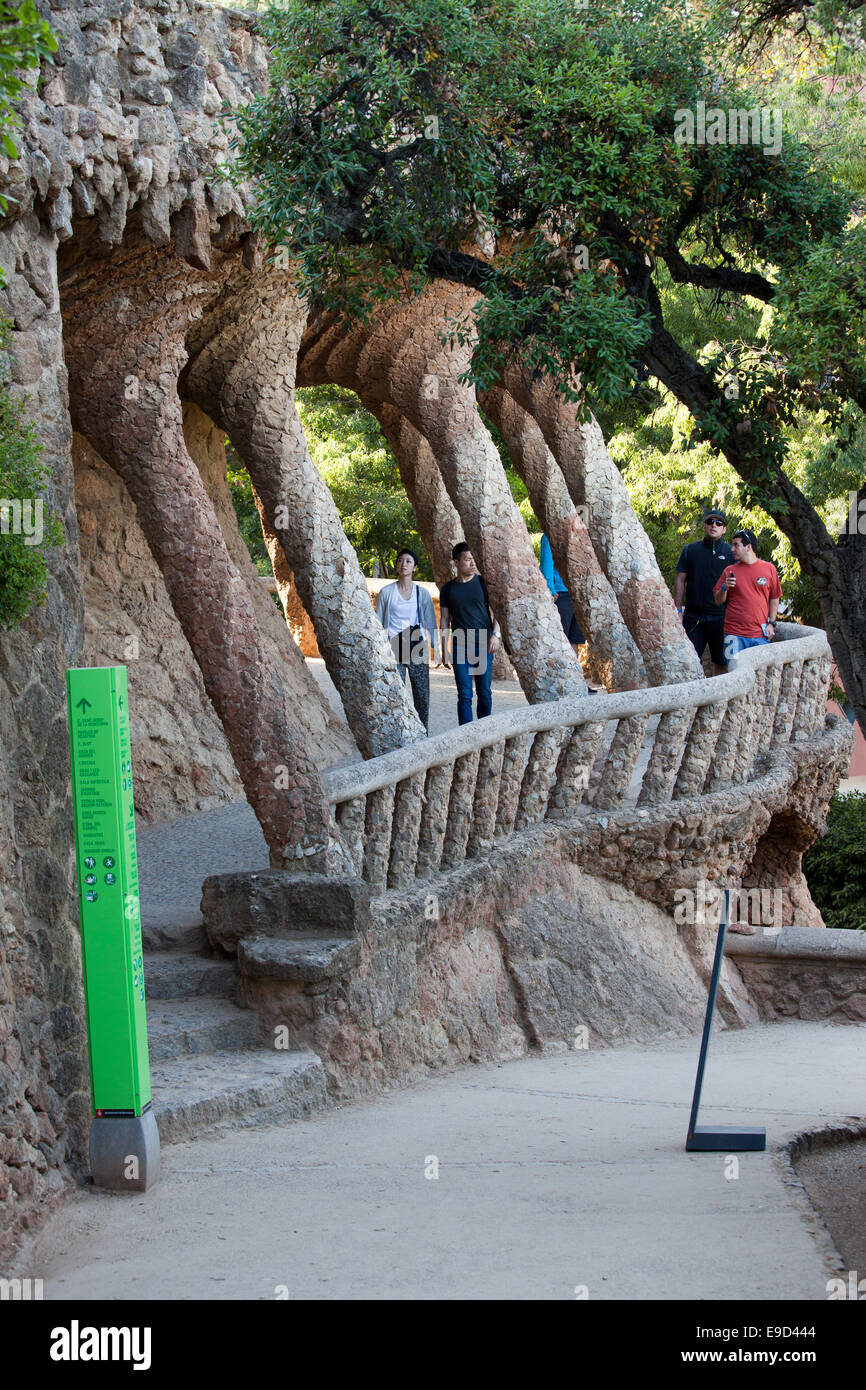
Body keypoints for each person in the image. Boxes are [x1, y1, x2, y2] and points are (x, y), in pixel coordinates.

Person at [376, 548, 438, 733]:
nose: (404, 564)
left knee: (421, 692)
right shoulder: (387, 592)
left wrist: (437, 649)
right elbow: (378, 621)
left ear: (415, 568)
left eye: (408, 561)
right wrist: (379, 648)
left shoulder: (422, 593)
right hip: (393, 643)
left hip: (416, 643)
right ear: (396, 565)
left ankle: (423, 730)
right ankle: (399, 731)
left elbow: (430, 621)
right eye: (401, 560)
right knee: (396, 690)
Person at [438, 542, 501, 724]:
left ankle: (484, 732)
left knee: (484, 692)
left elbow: (498, 610)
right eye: (467, 560)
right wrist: (444, 649)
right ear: (456, 562)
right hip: (460, 644)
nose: (472, 563)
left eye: (474, 560)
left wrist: (496, 635)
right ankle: (465, 737)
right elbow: (444, 620)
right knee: (464, 694)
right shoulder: (448, 589)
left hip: (484, 642)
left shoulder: (483, 583)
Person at [674, 509, 733, 677]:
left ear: (724, 529)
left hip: (721, 617)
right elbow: (680, 579)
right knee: (690, 661)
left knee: (721, 662)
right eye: (710, 522)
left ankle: (717, 699)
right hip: (694, 617)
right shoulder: (690, 550)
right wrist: (677, 610)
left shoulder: (730, 553)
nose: (714, 526)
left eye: (718, 523)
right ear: (705, 526)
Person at [713, 529, 781, 659]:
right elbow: (718, 600)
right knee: (734, 672)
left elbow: (774, 597)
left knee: (758, 676)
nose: (732, 549)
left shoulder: (769, 569)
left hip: (760, 636)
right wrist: (724, 587)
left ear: (748, 547)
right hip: (733, 636)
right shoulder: (729, 570)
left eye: (736, 545)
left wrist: (772, 623)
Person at [539, 533, 585, 656]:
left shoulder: (553, 536)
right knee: (566, 639)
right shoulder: (551, 536)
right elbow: (546, 566)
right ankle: (569, 674)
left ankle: (570, 674)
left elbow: (546, 566)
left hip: (569, 595)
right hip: (568, 595)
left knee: (568, 639)